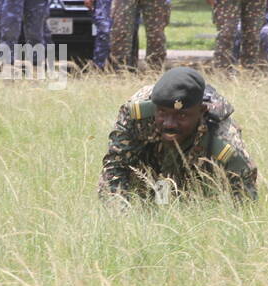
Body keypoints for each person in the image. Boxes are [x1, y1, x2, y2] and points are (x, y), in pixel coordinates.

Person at [98, 65, 257, 203]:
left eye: (181, 116)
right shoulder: (136, 113)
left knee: (198, 197)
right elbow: (115, 165)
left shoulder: (222, 138)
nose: (169, 124)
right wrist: (119, 214)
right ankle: (159, 203)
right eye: (162, 112)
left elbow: (244, 191)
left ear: (201, 111)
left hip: (197, 164)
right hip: (155, 158)